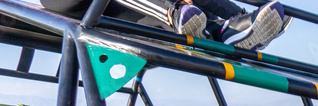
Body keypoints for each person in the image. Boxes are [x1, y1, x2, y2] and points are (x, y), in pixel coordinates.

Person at [40, 0, 290, 50]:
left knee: (189, 22)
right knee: (180, 17)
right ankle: (177, 14)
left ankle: (232, 25)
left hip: (109, 9)